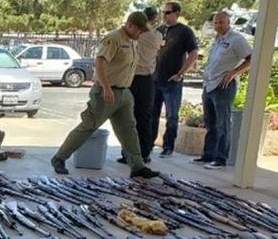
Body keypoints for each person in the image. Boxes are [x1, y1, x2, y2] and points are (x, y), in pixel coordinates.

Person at [50, 12, 160, 180]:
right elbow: (100, 63)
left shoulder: (132, 41)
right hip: (106, 93)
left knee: (129, 130)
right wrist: (106, 88)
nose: (140, 34)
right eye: (139, 30)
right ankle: (59, 158)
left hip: (124, 93)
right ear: (130, 25)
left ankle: (137, 166)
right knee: (88, 127)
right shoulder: (114, 38)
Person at [195, 11, 251, 170]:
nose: (218, 25)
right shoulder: (217, 40)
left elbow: (250, 59)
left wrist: (234, 72)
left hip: (223, 86)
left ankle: (220, 159)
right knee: (210, 122)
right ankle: (208, 155)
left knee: (223, 123)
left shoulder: (236, 39)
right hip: (209, 85)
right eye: (216, 23)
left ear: (228, 22)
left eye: (221, 22)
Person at [150, 2, 198, 158]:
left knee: (172, 116)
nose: (165, 15)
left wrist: (180, 73)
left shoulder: (185, 32)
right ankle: (148, 144)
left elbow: (193, 54)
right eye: (163, 12)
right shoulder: (159, 30)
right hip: (155, 79)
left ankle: (168, 146)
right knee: (152, 114)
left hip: (172, 82)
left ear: (177, 13)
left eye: (168, 12)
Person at [117, 6, 162, 165]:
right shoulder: (157, 36)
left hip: (130, 78)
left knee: (127, 117)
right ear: (154, 19)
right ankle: (144, 153)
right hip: (147, 80)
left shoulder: (135, 34)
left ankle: (127, 153)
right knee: (144, 118)